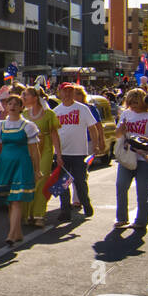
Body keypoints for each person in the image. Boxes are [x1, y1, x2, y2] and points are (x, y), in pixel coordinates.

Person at [0, 94, 42, 246]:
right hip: (4, 164)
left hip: (22, 164)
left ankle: (11, 234)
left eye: (17, 104)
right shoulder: (0, 125)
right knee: (10, 200)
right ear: (6, 107)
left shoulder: (28, 126)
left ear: (22, 107)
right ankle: (18, 233)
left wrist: (37, 169)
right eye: (10, 103)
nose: (13, 106)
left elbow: (34, 151)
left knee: (16, 200)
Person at [51, 83, 102, 221]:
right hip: (62, 152)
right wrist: (56, 153)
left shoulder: (83, 109)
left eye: (70, 91)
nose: (67, 94)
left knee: (80, 181)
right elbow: (53, 133)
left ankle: (85, 202)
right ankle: (65, 210)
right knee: (63, 183)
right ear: (59, 93)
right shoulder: (56, 111)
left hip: (79, 152)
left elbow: (93, 128)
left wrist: (96, 145)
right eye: (64, 91)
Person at [21, 86, 60, 226]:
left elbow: (55, 135)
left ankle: (39, 215)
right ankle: (28, 214)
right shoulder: (24, 115)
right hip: (28, 152)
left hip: (46, 151)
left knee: (41, 181)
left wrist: (59, 155)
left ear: (35, 98)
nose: (23, 98)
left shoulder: (49, 114)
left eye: (25, 95)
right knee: (29, 181)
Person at [112, 88, 148, 233]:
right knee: (121, 186)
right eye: (130, 102)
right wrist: (122, 127)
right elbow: (117, 134)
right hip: (127, 156)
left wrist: (141, 141)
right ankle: (121, 217)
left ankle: (141, 221)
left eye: (135, 102)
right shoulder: (126, 113)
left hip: (144, 157)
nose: (133, 105)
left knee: (142, 191)